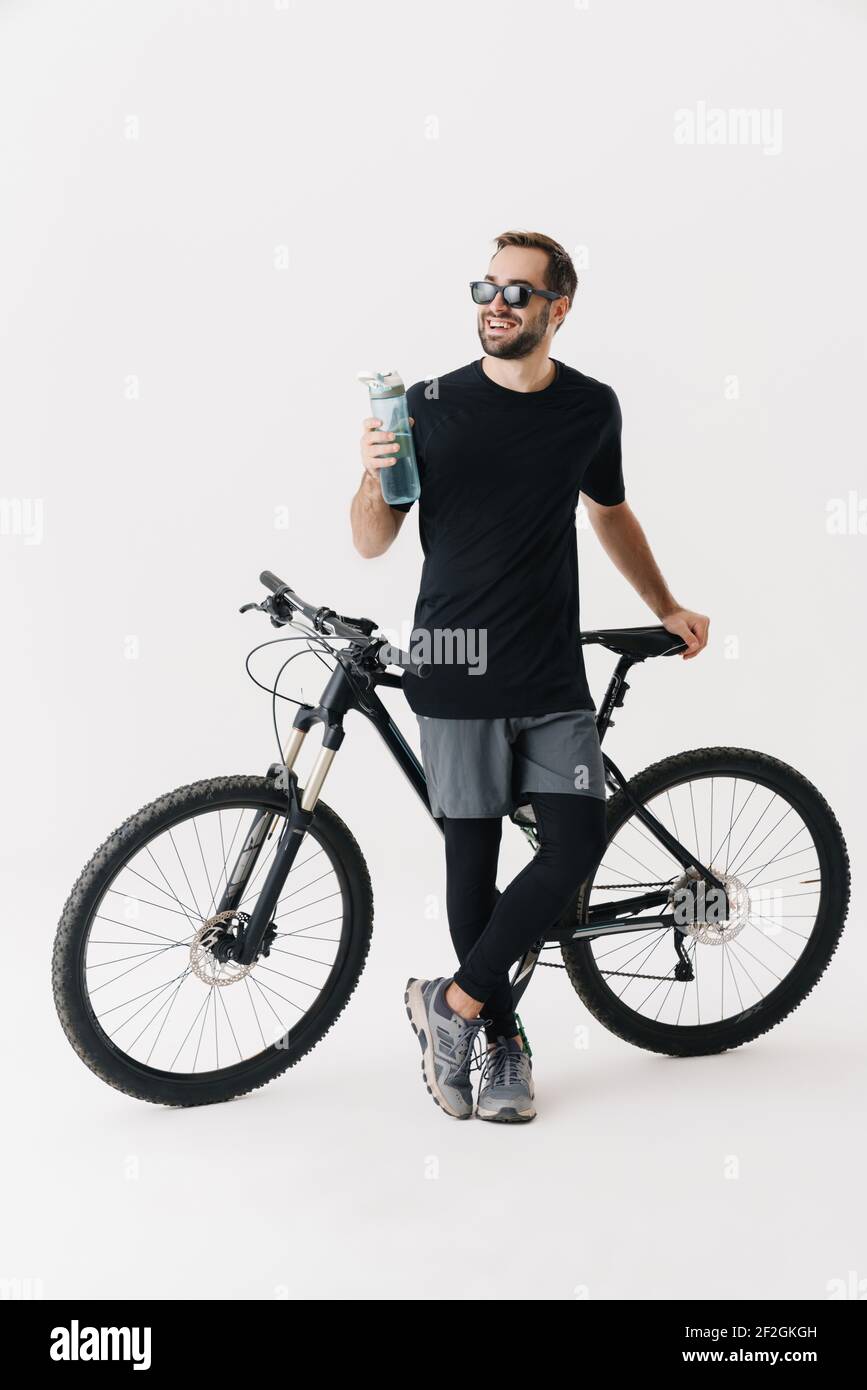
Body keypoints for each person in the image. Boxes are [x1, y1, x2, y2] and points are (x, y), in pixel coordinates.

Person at [350, 230, 709, 1124]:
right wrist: (372, 475)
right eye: (485, 287)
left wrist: (665, 602)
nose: (496, 303)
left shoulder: (589, 407)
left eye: (517, 290)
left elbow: (610, 509)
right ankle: (502, 1041)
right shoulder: (426, 407)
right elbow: (370, 537)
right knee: (471, 869)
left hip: (550, 669)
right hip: (453, 664)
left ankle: (452, 1006)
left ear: (559, 308)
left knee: (575, 848)